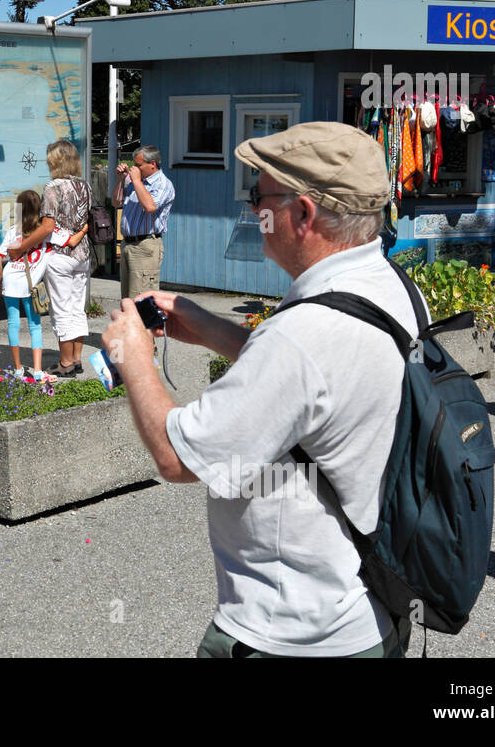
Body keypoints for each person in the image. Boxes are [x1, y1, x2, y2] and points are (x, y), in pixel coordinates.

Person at [103, 121, 417, 657]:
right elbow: (321, 389)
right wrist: (216, 331)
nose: (253, 209)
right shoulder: (389, 287)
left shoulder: (302, 335)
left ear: (303, 213)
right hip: (367, 607)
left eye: (259, 195)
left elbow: (180, 458)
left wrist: (134, 357)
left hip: (288, 630)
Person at [8, 139, 92, 377]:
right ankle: (76, 358)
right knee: (77, 307)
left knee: (61, 309)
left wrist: (21, 247)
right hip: (82, 253)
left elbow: (47, 227)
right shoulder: (84, 185)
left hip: (60, 255)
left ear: (55, 162)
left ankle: (65, 362)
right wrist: (79, 235)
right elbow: (87, 219)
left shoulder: (52, 187)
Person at [0, 190, 63, 379]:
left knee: (12, 323)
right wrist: (83, 229)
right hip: (29, 284)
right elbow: (69, 240)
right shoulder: (46, 233)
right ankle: (38, 370)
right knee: (35, 326)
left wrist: (1, 283)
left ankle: (17, 369)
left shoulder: (13, 230)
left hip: (9, 281)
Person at [112, 144, 175, 298]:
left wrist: (136, 181)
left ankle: (145, 324)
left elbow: (150, 206)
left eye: (139, 165)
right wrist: (121, 180)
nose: (135, 168)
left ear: (152, 164)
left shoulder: (162, 184)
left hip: (145, 246)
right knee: (127, 300)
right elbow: (116, 202)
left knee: (142, 300)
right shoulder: (136, 183)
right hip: (128, 245)